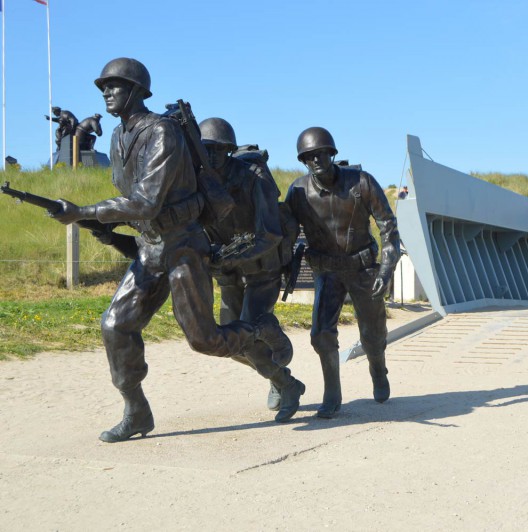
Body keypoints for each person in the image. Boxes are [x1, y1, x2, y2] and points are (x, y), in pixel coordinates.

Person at [51, 58, 299, 443]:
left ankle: (266, 344)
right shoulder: (116, 138)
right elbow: (133, 203)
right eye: (103, 86)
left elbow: (146, 201)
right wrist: (102, 225)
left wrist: (84, 211)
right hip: (150, 247)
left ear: (137, 90)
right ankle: (136, 411)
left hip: (183, 246)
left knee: (205, 340)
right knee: (115, 325)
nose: (106, 92)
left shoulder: (162, 132)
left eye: (114, 85)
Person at [285, 127, 401, 418]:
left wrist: (385, 271)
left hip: (363, 269)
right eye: (309, 156)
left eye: (321, 153)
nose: (316, 160)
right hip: (327, 272)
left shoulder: (361, 182)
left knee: (373, 334)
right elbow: (285, 234)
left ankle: (378, 369)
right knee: (320, 335)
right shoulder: (298, 192)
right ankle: (332, 392)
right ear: (303, 161)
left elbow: (388, 228)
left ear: (332, 153)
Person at [198, 117, 303, 413]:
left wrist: (230, 256)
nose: (213, 156)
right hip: (228, 272)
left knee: (246, 336)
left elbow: (270, 234)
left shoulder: (254, 177)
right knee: (230, 344)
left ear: (230, 150)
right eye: (207, 149)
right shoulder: (198, 180)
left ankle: (284, 380)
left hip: (262, 267)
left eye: (220, 149)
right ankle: (280, 376)